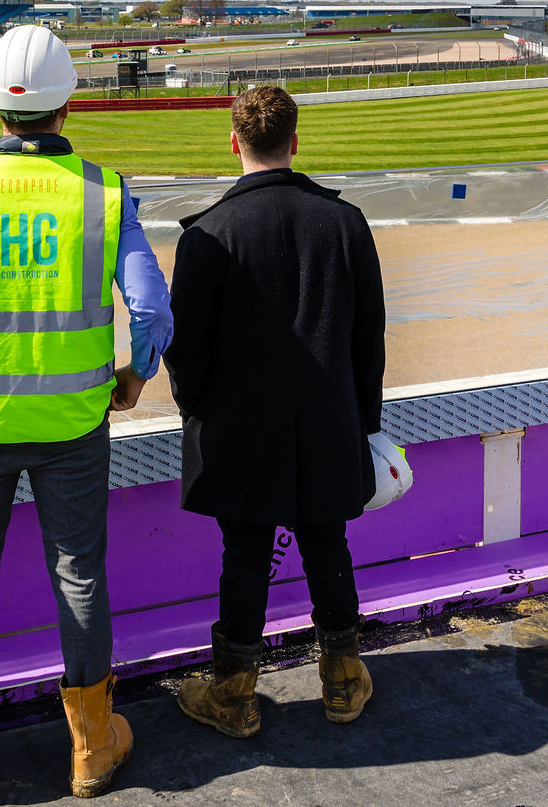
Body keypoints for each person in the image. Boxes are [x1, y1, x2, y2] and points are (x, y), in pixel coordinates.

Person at [0, 25, 173, 807]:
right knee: (80, 575)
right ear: (66, 101)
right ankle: (90, 746)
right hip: (74, 424)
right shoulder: (102, 188)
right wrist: (133, 375)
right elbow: (153, 308)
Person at [165, 85, 385, 738]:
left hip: (238, 428)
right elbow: (367, 339)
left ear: (234, 141)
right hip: (329, 420)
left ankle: (233, 696)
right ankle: (343, 680)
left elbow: (185, 353)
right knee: (326, 542)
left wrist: (199, 412)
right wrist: (362, 423)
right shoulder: (345, 223)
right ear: (294, 140)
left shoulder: (207, 234)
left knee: (244, 554)